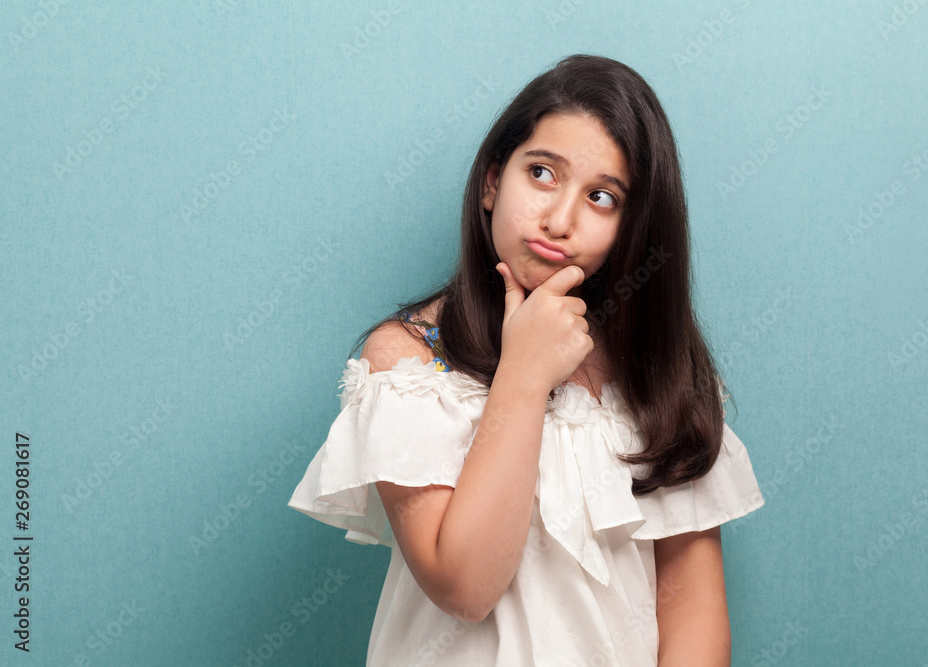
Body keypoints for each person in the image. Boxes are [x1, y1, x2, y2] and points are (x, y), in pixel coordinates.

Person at [287, 53, 765, 666]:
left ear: (633, 229)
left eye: (601, 196)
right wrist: (525, 374)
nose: (560, 219)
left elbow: (692, 609)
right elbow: (464, 588)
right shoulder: (410, 360)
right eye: (542, 173)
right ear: (492, 182)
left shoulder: (657, 374)